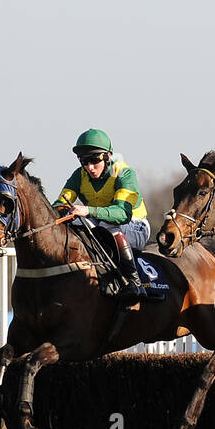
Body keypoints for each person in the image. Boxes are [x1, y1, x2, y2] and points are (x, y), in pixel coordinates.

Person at [55, 128, 150, 303]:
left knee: (106, 227)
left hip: (135, 225)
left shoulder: (124, 173)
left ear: (108, 156)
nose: (89, 167)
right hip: (100, 222)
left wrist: (88, 211)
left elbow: (122, 214)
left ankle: (134, 282)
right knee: (75, 226)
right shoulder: (79, 175)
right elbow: (59, 205)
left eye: (94, 160)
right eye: (84, 161)